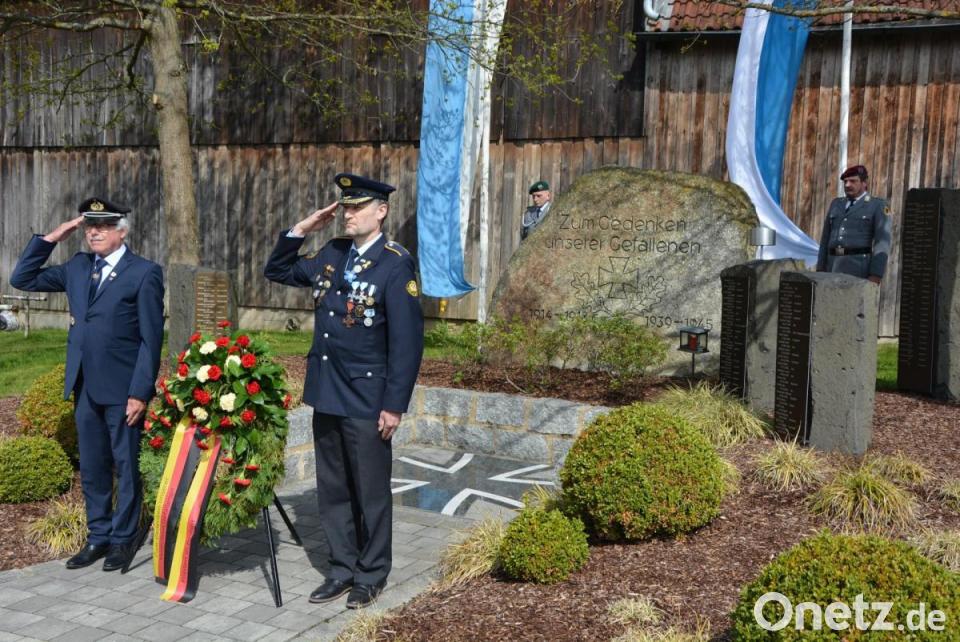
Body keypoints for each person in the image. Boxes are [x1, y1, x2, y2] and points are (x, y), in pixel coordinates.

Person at [264, 173, 424, 609]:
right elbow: (276, 270)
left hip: (368, 397)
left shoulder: (395, 263)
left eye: (356, 207)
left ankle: (371, 574)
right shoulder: (333, 253)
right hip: (329, 390)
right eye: (344, 207)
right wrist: (302, 230)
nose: (347, 214)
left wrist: (394, 405)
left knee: (369, 490)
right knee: (332, 488)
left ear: (381, 211)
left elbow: (408, 344)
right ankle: (341, 568)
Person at [10, 198, 164, 571]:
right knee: (93, 466)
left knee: (125, 466)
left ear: (121, 231)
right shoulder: (78, 267)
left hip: (123, 389)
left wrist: (139, 392)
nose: (94, 232)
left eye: (104, 226)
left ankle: (123, 540)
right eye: (89, 226)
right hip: (84, 387)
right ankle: (98, 535)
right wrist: (54, 236)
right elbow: (22, 279)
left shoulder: (143, 272)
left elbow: (151, 338)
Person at [816, 165, 891, 284]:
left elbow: (882, 242)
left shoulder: (876, 206)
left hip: (858, 269)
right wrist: (820, 268)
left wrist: (876, 275)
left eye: (853, 181)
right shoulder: (836, 204)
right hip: (832, 268)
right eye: (845, 181)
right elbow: (825, 239)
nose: (847, 185)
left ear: (864, 183)